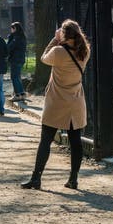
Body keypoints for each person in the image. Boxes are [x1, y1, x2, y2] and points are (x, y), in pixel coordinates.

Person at [22, 20, 90, 191]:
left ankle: (36, 178)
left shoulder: (58, 51)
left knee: (45, 140)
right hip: (76, 101)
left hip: (57, 101)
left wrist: (54, 39)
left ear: (64, 34)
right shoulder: (84, 51)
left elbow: (44, 57)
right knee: (75, 141)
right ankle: (73, 179)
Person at [7, 21, 27, 101]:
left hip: (15, 59)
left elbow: (9, 47)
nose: (11, 30)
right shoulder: (22, 36)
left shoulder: (16, 38)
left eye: (11, 28)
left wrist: (10, 37)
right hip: (21, 59)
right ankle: (22, 93)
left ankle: (17, 94)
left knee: (14, 77)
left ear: (14, 28)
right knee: (18, 76)